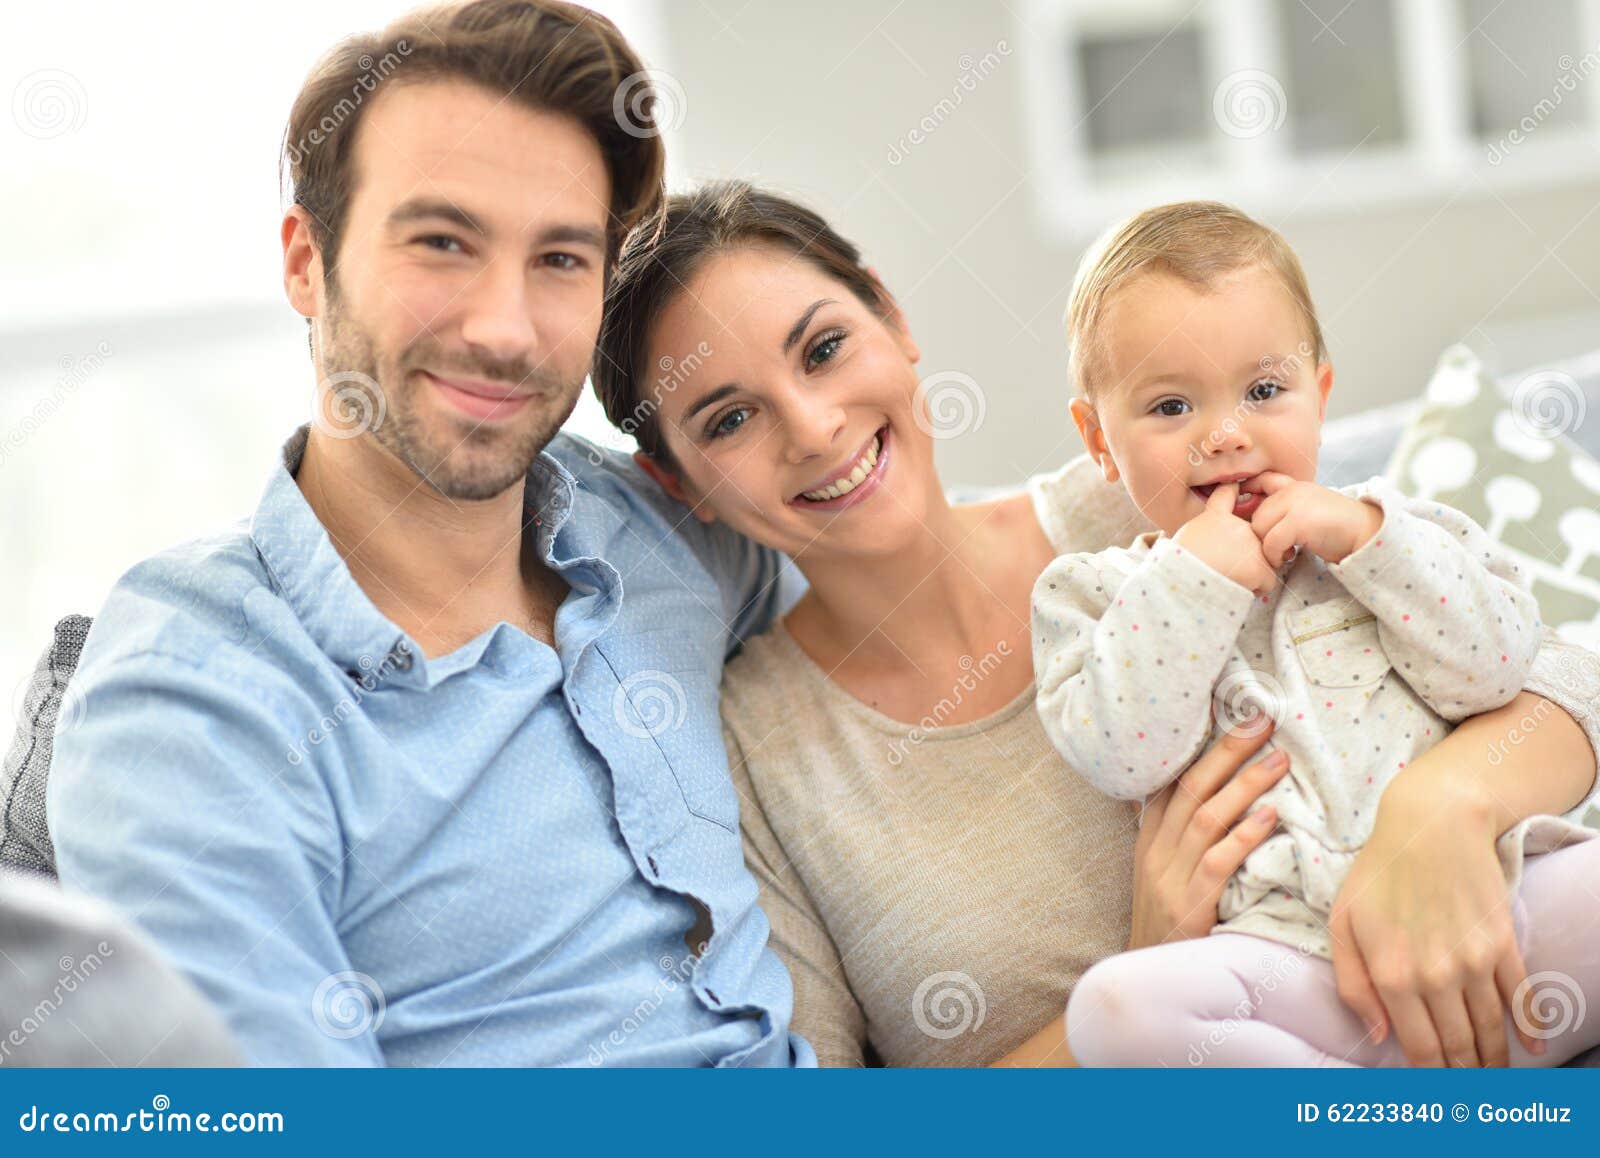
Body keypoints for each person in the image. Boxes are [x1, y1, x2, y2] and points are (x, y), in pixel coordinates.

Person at [591, 180, 1600, 1067]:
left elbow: (1553, 674)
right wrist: (1147, 962)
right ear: (679, 484)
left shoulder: (1172, 485)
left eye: (823, 349)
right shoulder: (749, 763)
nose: (814, 429)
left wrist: (1440, 810)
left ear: (892, 319)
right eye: (729, 418)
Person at [45, 1, 810, 1066]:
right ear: (306, 262)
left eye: (559, 259)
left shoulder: (657, 524)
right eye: (442, 243)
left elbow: (903, 601)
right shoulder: (194, 703)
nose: (504, 329)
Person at [1031, 201, 1600, 1066]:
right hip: (1294, 972)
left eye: (1264, 392)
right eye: (1171, 405)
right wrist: (1195, 579)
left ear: (1320, 396)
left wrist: (1370, 540)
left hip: (1501, 914)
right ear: (1098, 441)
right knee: (1112, 1010)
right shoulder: (1092, 597)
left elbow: (1497, 668)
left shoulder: (1393, 533)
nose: (1226, 436)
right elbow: (1122, 753)